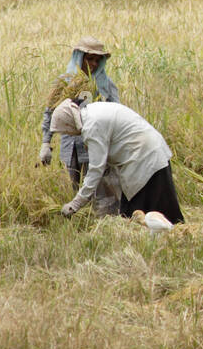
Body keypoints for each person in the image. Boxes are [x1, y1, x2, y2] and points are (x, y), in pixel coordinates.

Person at [49, 98, 185, 223]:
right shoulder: (93, 112)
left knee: (139, 218)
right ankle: (175, 238)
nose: (69, 134)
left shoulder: (92, 126)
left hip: (144, 159)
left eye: (66, 131)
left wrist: (75, 204)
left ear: (69, 123)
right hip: (150, 153)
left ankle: (176, 239)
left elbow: (96, 169)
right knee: (158, 215)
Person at [40, 36, 121, 214]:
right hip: (72, 148)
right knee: (77, 190)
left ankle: (106, 226)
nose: (92, 64)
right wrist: (46, 143)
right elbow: (51, 112)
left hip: (98, 146)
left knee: (103, 194)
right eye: (89, 59)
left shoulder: (105, 85)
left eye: (97, 60)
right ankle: (83, 225)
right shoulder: (65, 83)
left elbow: (117, 113)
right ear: (79, 57)